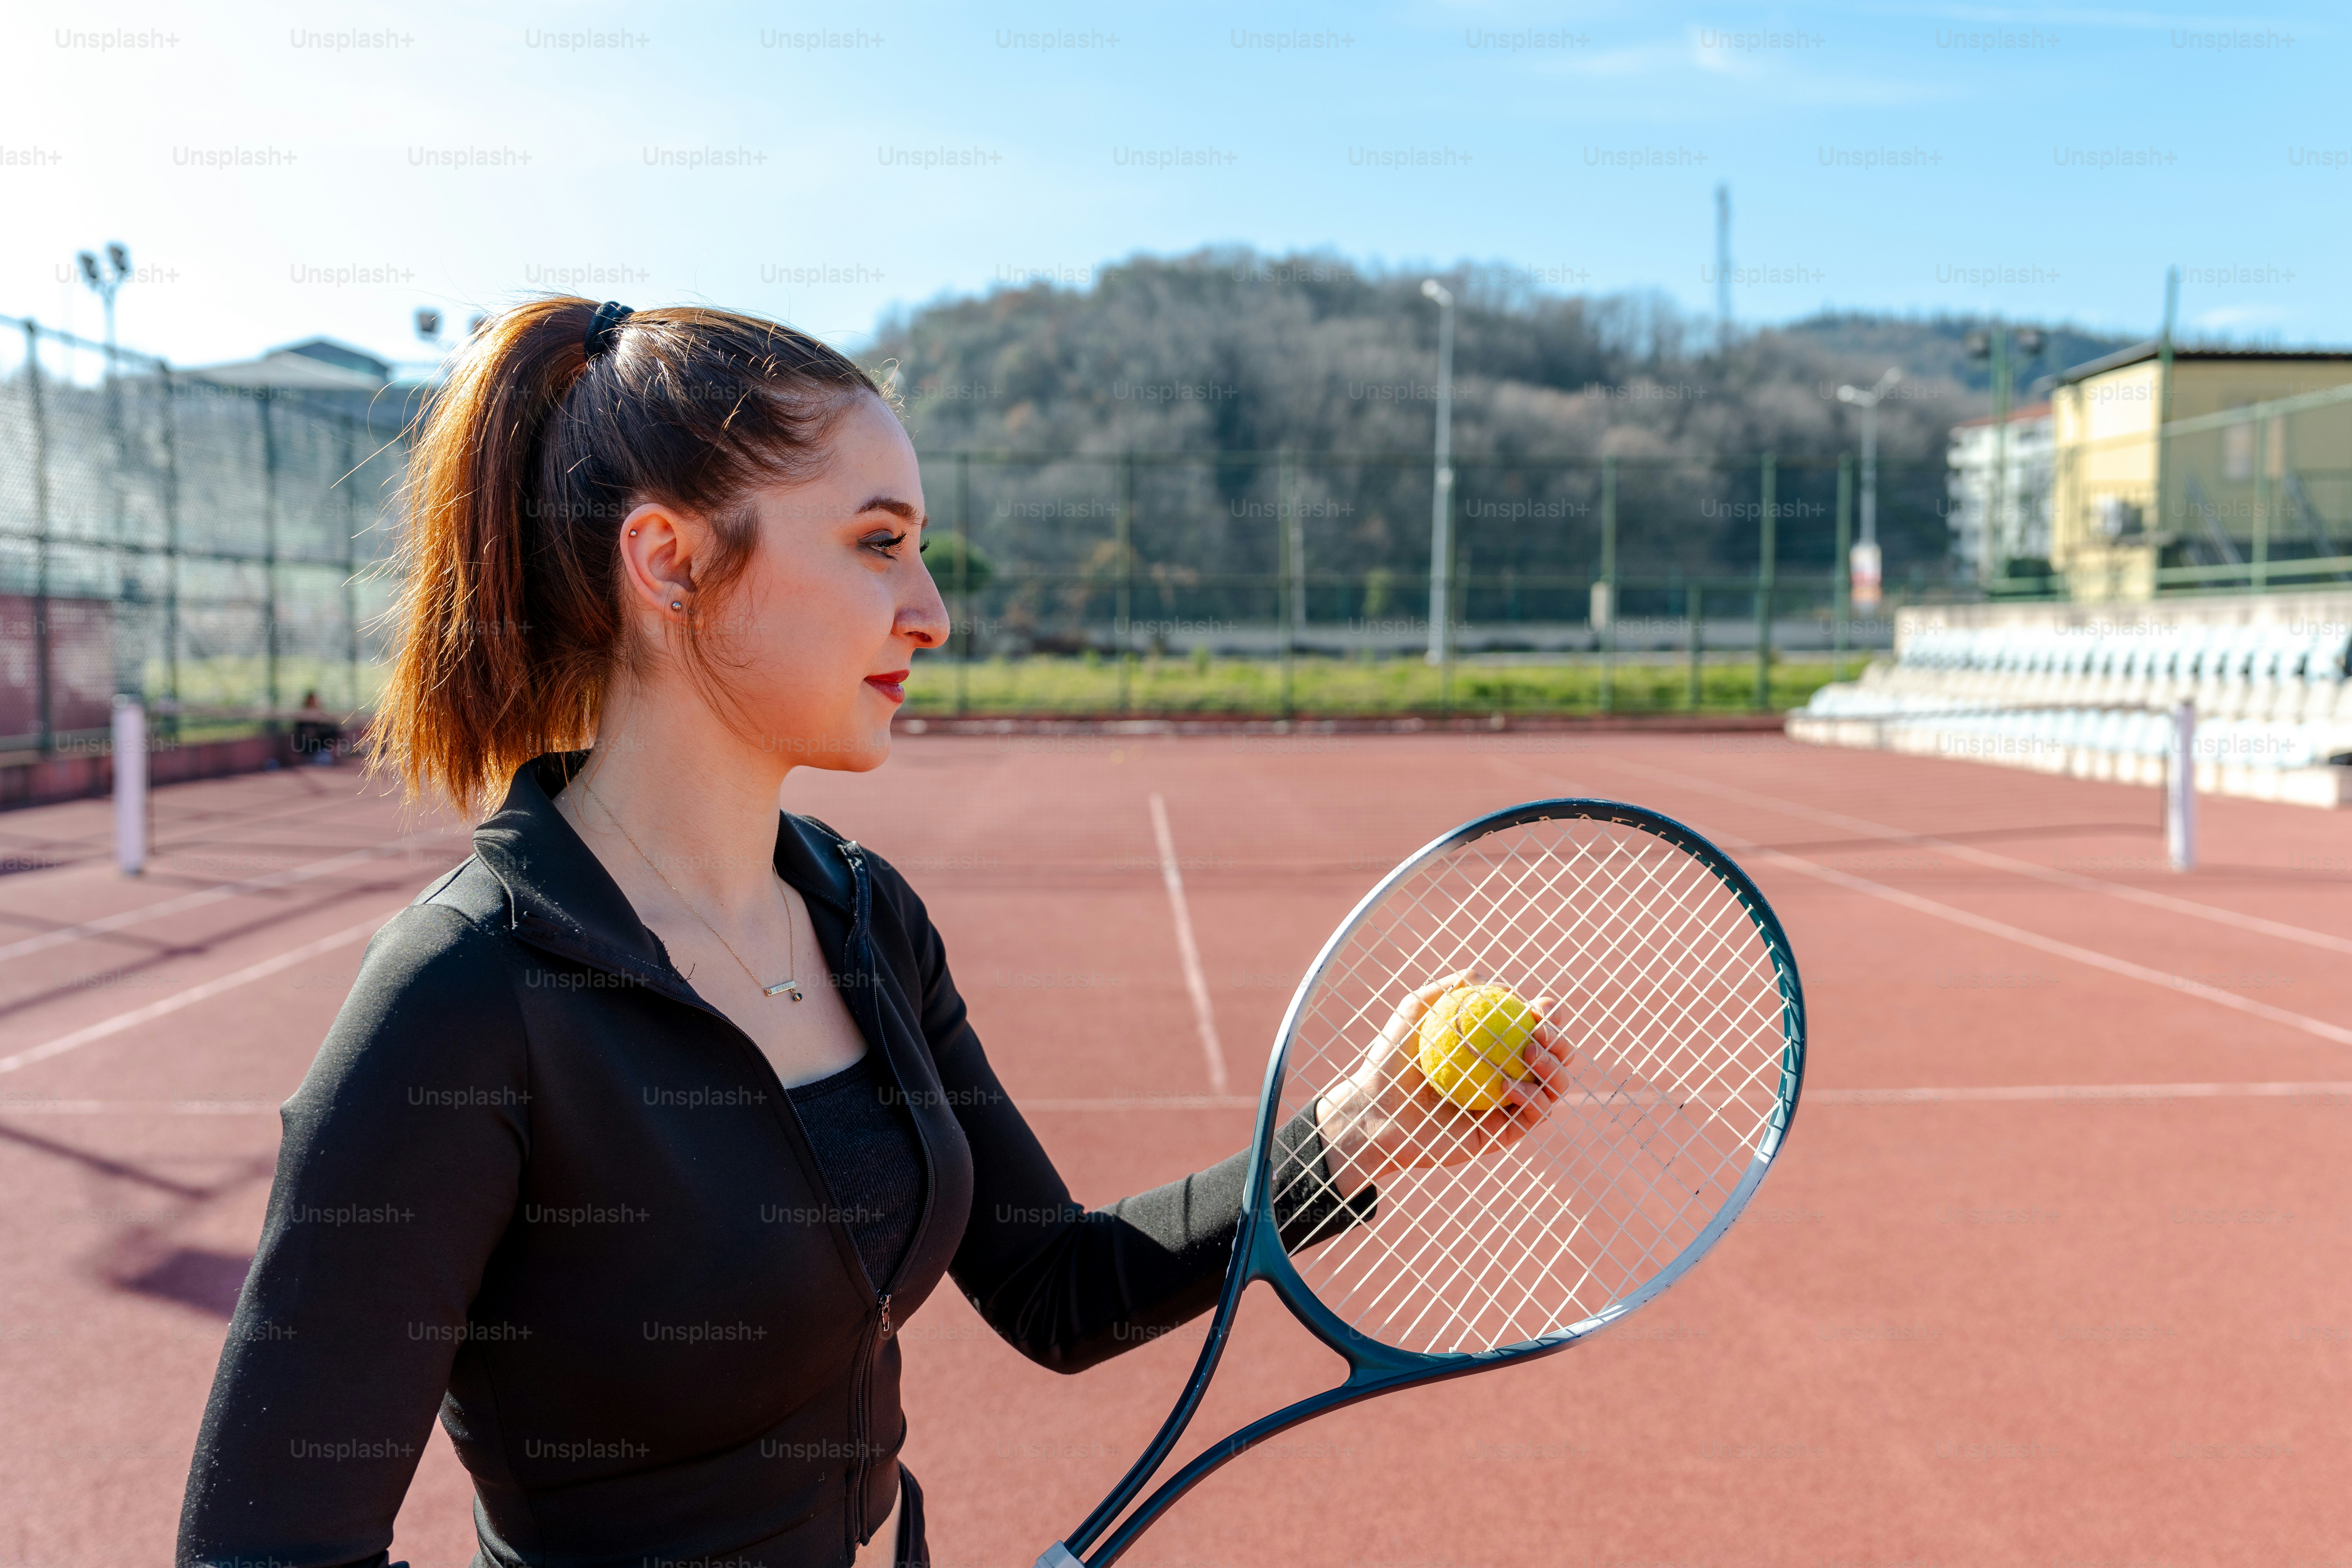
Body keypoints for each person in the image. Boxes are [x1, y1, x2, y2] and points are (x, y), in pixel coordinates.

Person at [174, 297, 1569, 1568]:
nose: (933, 610)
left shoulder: (861, 918)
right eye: (875, 544)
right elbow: (261, 1559)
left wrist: (1355, 1126)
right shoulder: (464, 1000)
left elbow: (1057, 1288)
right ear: (669, 564)